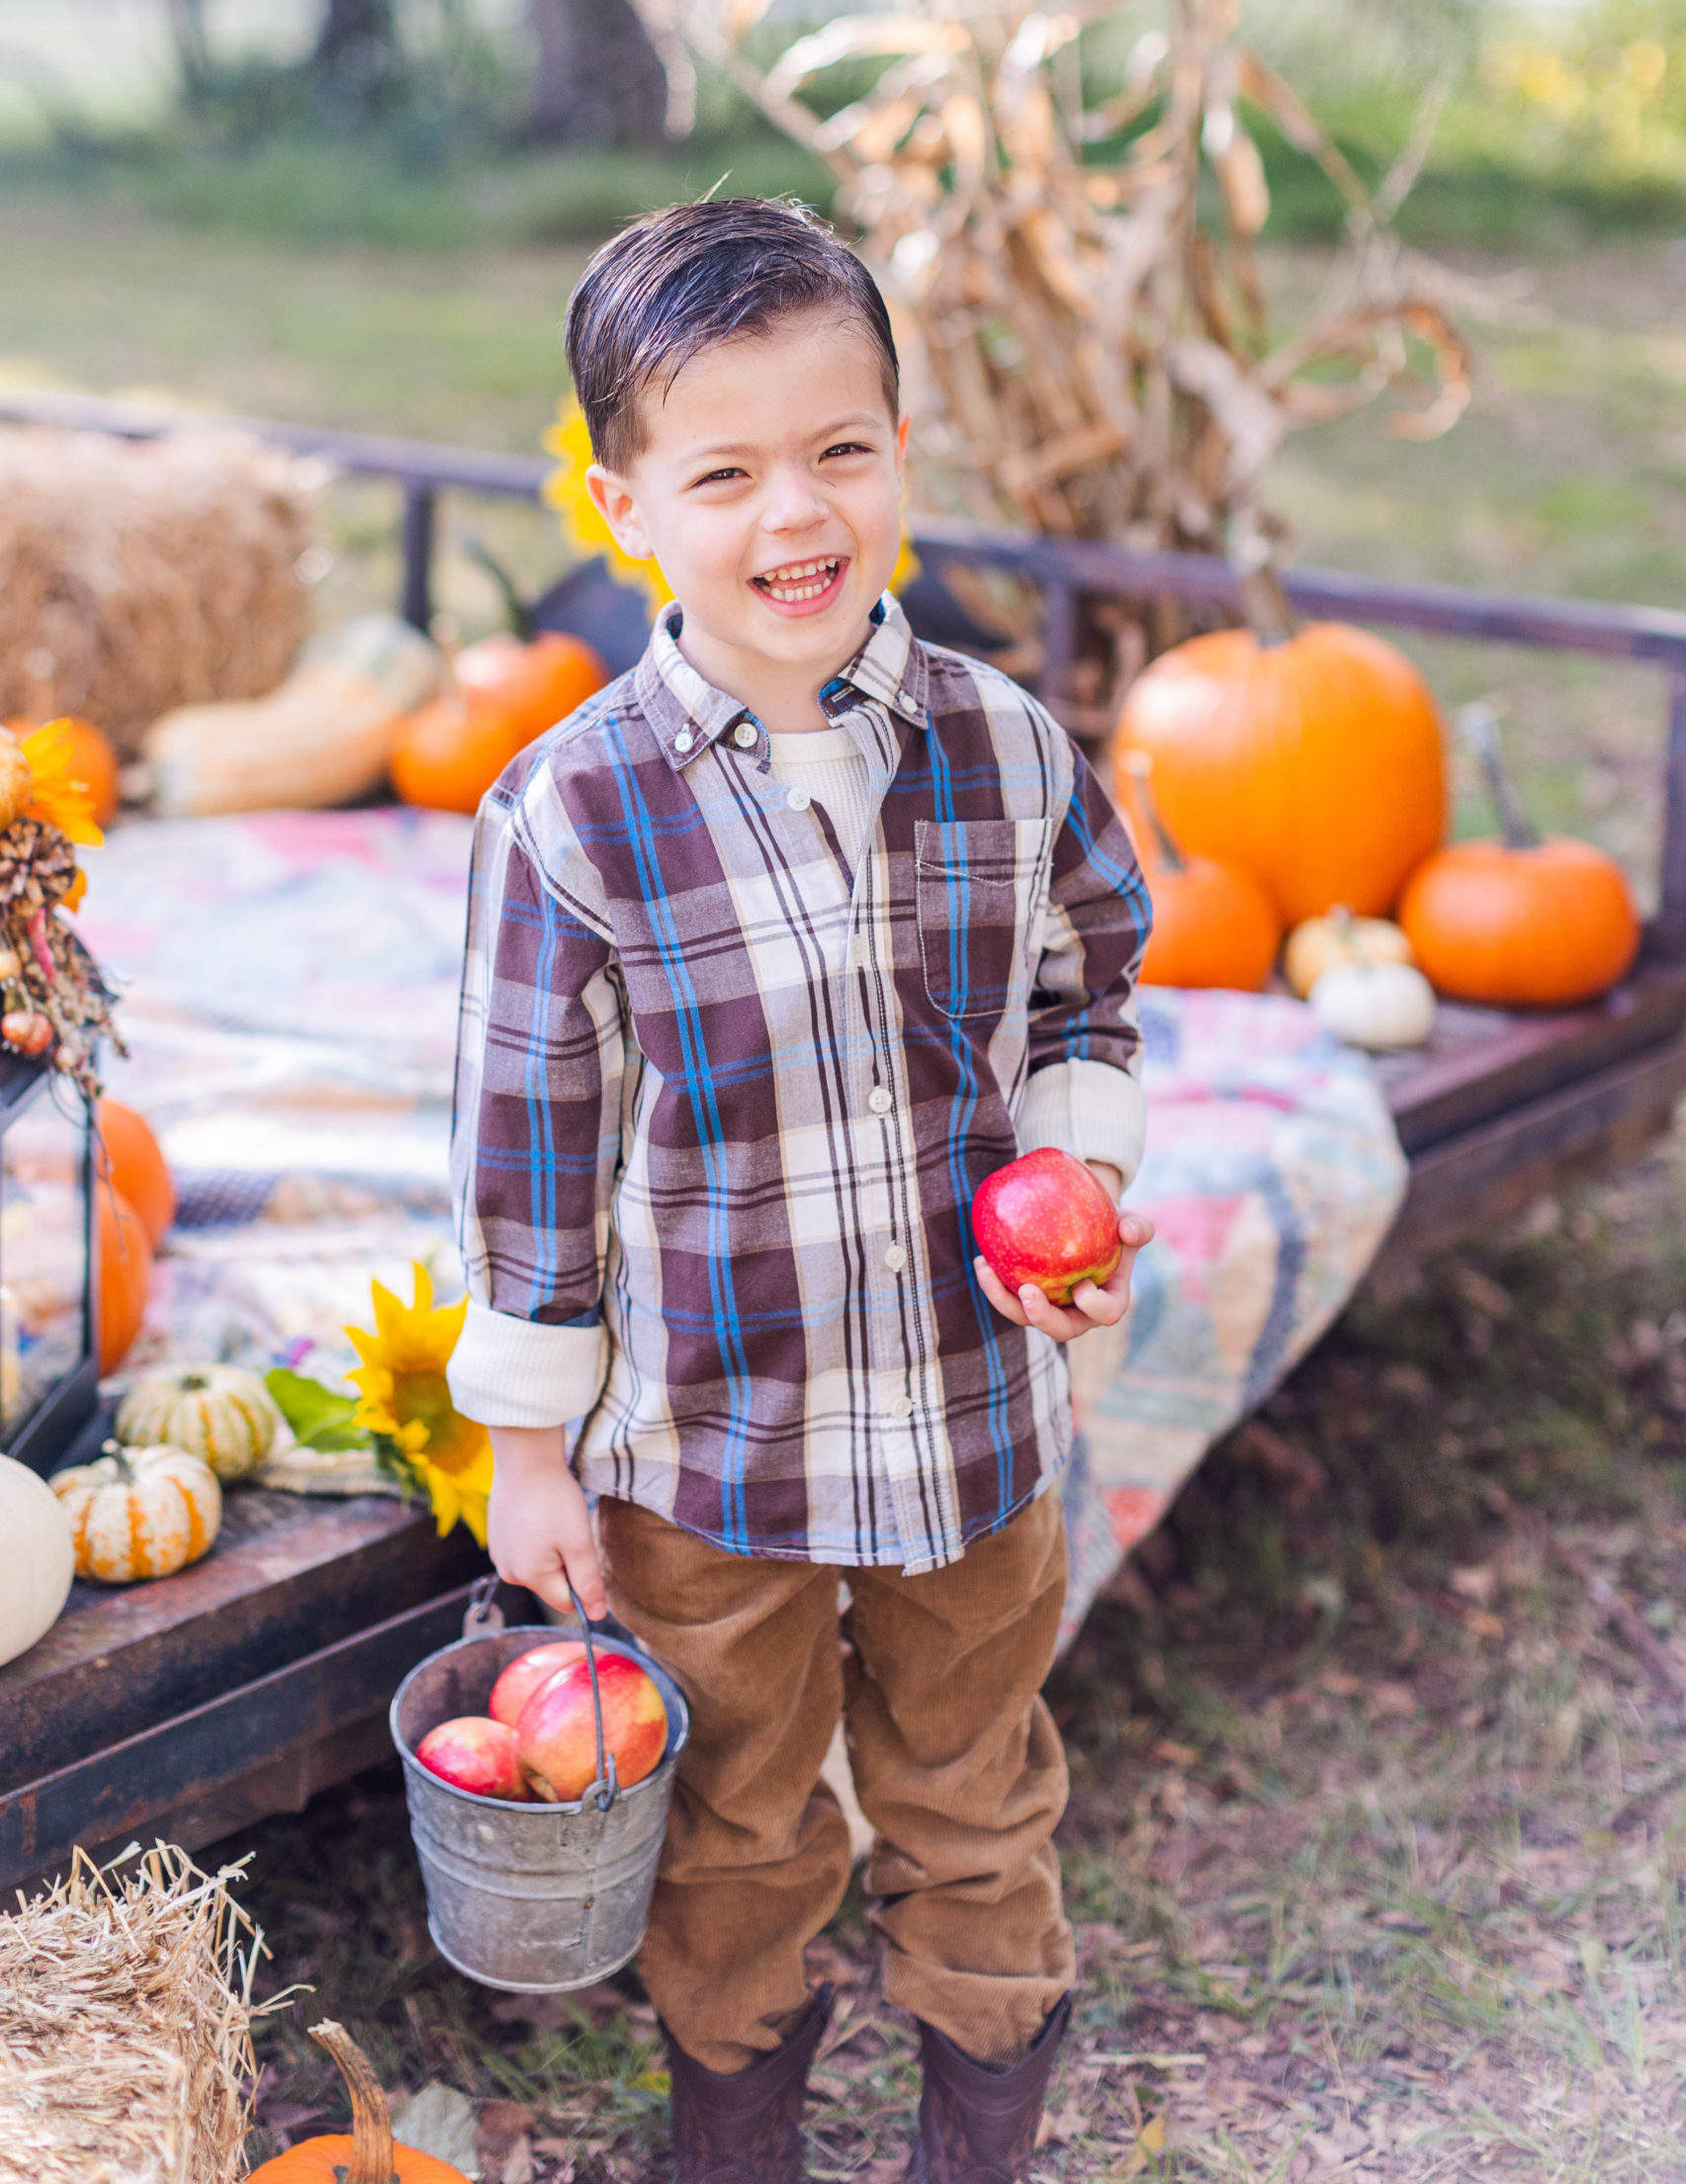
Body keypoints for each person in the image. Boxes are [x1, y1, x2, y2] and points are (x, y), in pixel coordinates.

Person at [448, 196, 1154, 2184]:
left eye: (840, 449)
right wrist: (529, 1451)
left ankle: (978, 2123)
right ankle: (737, 2124)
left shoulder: (1002, 748)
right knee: (742, 1811)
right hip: (713, 1451)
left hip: (964, 1424)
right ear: (623, 508)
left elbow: (1086, 990)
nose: (795, 513)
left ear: (903, 462)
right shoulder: (570, 814)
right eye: (727, 468)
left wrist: (1074, 1176)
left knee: (972, 1790)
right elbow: (526, 1160)